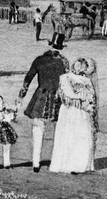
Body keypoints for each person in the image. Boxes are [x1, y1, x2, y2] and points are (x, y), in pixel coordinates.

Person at [18, 34, 70, 173]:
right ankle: (57, 161)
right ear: (61, 48)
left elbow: (28, 78)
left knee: (38, 129)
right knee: (58, 131)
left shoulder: (39, 60)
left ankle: (36, 162)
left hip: (41, 96)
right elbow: (67, 82)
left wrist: (21, 96)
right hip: (58, 98)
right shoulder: (64, 62)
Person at [50, 58, 98, 174]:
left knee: (81, 135)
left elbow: (91, 95)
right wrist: (78, 97)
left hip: (81, 112)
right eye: (76, 64)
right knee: (68, 135)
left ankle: (79, 164)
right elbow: (66, 92)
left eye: (81, 66)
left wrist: (87, 104)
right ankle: (66, 164)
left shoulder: (86, 80)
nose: (78, 67)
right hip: (69, 110)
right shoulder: (65, 77)